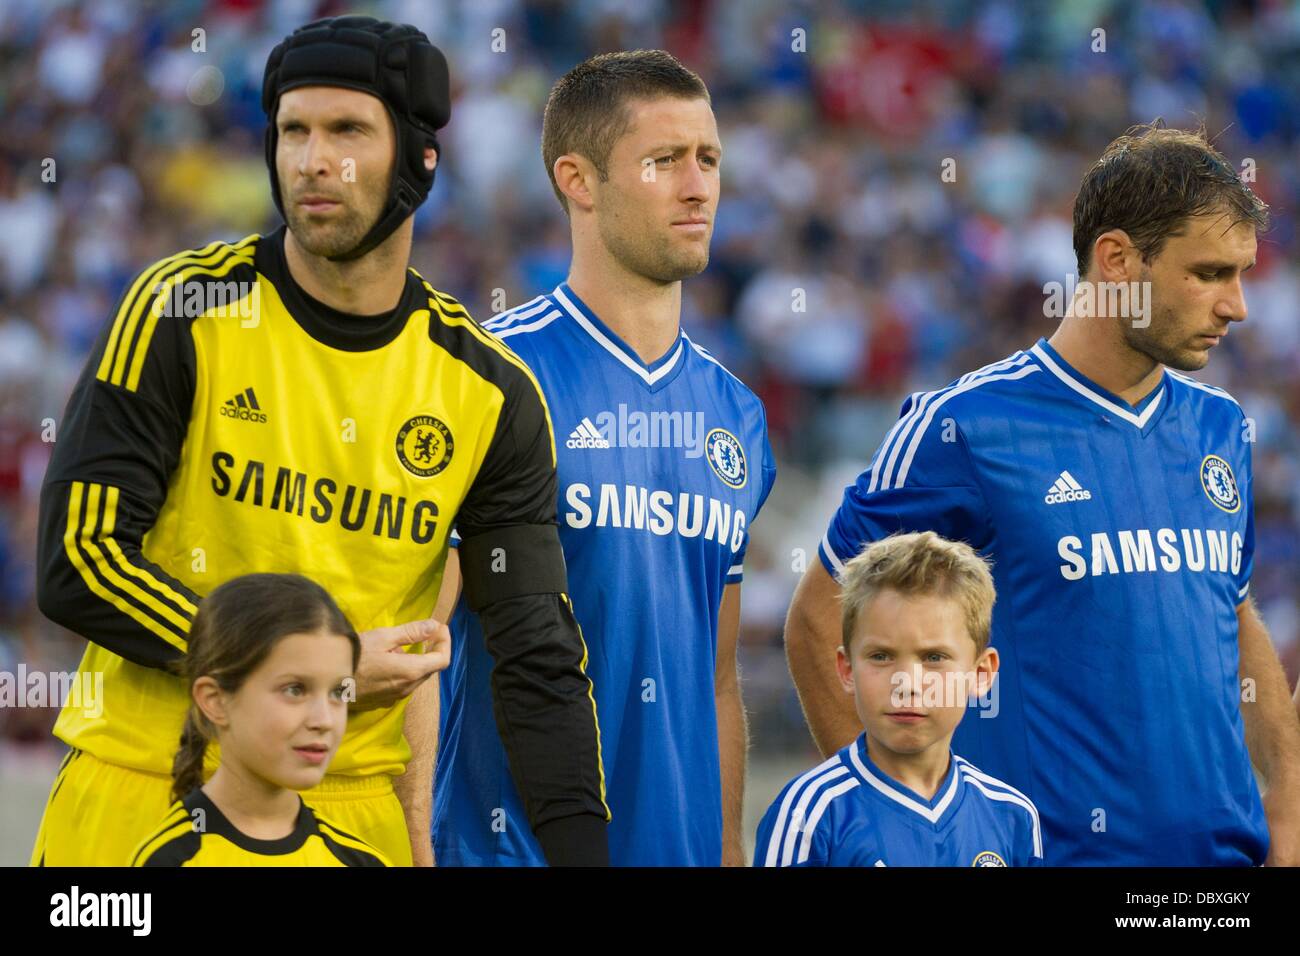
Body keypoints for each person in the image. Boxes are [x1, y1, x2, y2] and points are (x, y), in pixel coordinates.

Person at [32, 15, 608, 868]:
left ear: (420, 160)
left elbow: (536, 659)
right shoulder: (180, 310)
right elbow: (79, 558)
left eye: (347, 131)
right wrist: (320, 666)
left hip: (347, 824)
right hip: (142, 787)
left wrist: (581, 854)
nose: (312, 160)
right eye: (292, 130)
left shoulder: (490, 391)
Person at [784, 123, 1300, 865]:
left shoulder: (1221, 428)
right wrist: (902, 830)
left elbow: (1236, 613)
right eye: (1210, 273)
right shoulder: (964, 427)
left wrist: (1286, 806)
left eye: (1243, 274)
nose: (1237, 306)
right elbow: (818, 617)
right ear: (1116, 259)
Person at [431, 50, 776, 866]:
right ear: (578, 182)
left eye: (709, 160)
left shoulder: (737, 413)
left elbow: (716, 679)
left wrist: (727, 846)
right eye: (664, 162)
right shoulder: (492, 378)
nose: (698, 188)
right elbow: (417, 644)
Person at [756, 532, 1041, 867]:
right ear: (847, 669)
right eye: (881, 656)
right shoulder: (809, 814)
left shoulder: (1013, 816)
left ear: (981, 674)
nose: (907, 684)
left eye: (934, 657)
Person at [131, 574, 390, 866]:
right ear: (214, 700)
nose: (324, 720)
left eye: (338, 692)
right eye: (295, 690)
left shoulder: (361, 860)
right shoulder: (170, 858)